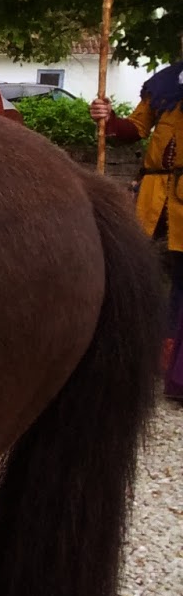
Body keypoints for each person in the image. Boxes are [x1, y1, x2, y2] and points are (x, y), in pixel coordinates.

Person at [91, 40, 183, 397]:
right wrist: (107, 118)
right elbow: (133, 130)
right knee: (135, 273)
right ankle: (137, 363)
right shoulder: (165, 83)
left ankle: (177, 376)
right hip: (155, 194)